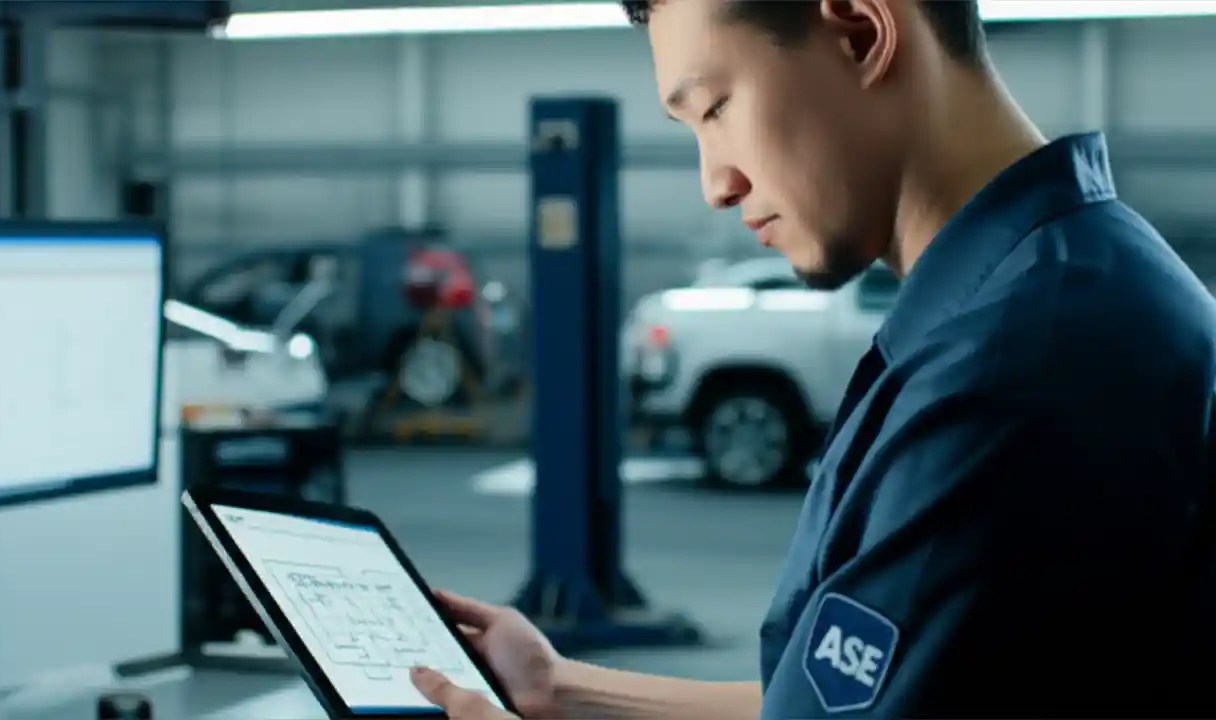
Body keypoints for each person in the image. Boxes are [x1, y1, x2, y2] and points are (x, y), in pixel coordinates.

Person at [411, 0, 1216, 717]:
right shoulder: (1064, 276)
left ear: (861, 32)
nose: (715, 183)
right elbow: (850, 695)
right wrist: (563, 690)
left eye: (716, 107)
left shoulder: (1014, 368)